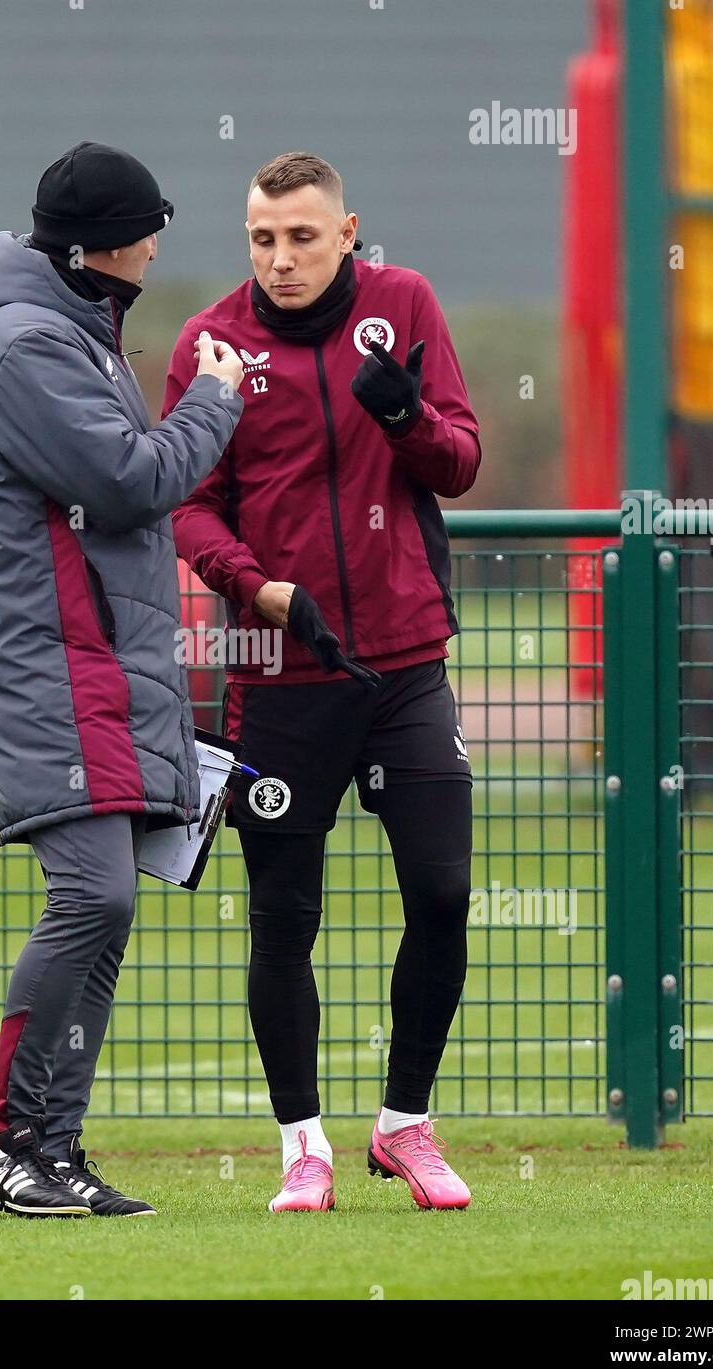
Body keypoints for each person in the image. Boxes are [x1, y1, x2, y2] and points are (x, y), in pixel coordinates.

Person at [163, 152, 480, 1213]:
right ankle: (304, 1145)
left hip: (403, 663)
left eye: (302, 236)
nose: (281, 258)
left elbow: (459, 462)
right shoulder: (211, 345)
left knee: (439, 891)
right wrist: (257, 590)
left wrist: (406, 418)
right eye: (262, 238)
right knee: (282, 916)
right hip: (279, 674)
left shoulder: (406, 306)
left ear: (349, 232)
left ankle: (404, 1125)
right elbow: (189, 503)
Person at [0, 141, 244, 1218]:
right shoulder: (25, 345)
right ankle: (9, 1147)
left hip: (95, 668)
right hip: (48, 667)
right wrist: (216, 399)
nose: (157, 244)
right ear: (97, 247)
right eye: (145, 227)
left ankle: (53, 1149)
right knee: (92, 893)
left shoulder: (70, 330)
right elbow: (129, 481)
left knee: (110, 907)